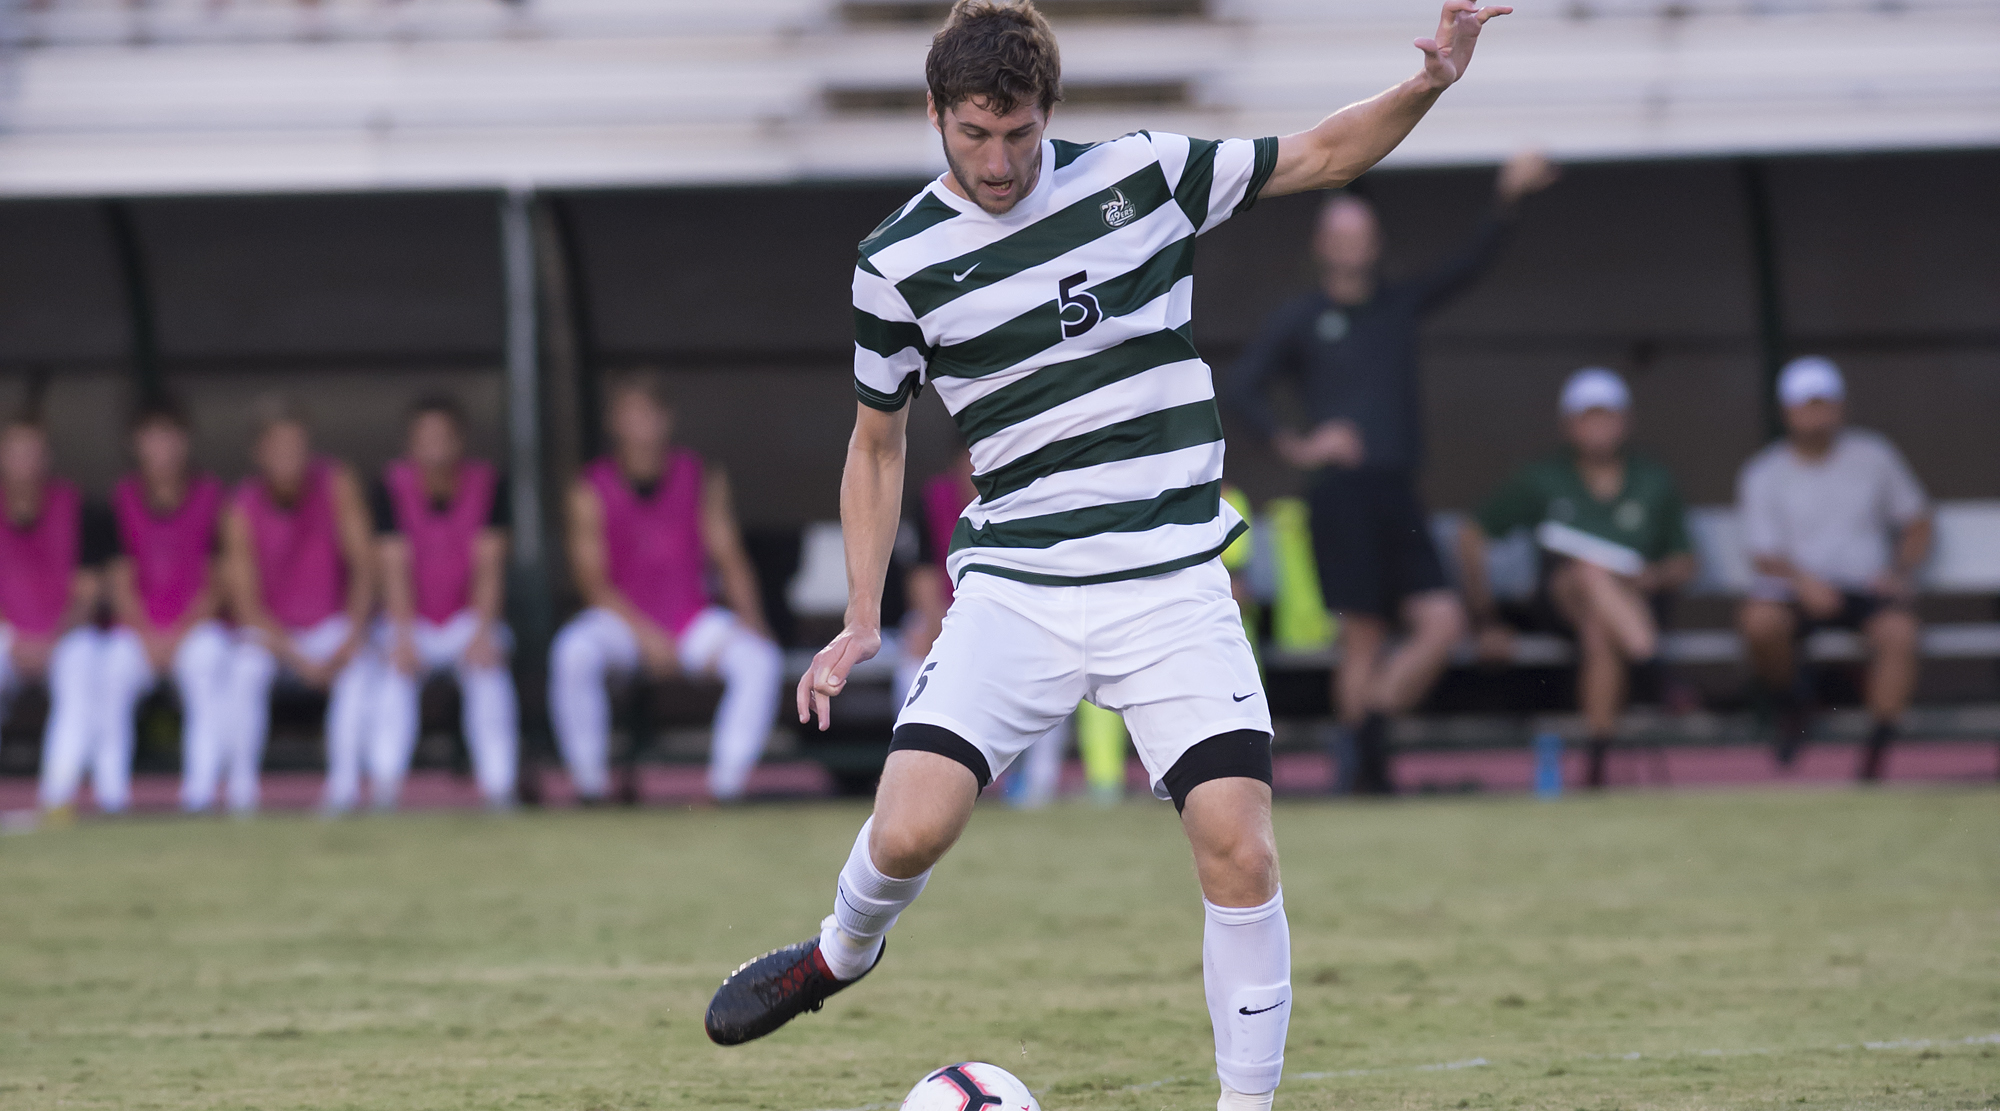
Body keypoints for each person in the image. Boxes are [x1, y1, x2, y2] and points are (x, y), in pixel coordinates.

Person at [703, 4, 1515, 1111]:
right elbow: (876, 439)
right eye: (974, 134)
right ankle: (841, 951)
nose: (997, 162)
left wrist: (1428, 84)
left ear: (1049, 116)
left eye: (1019, 135)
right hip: (1017, 587)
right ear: (933, 114)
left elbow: (1322, 154)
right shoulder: (895, 263)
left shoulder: (1143, 176)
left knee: (1237, 844)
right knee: (907, 829)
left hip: (1170, 579)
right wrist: (857, 615)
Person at [1227, 149, 1557, 795]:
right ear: (1323, 244)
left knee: (1441, 621)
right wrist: (1296, 445)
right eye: (1340, 234)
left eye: (1362, 233)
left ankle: (1365, 734)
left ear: (1375, 243)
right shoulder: (1301, 316)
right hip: (1338, 494)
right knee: (1364, 637)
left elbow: (1468, 267)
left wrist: (1506, 202)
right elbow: (1242, 386)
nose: (1352, 245)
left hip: (1396, 488)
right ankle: (1365, 772)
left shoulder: (1397, 305)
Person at [549, 374, 782, 803]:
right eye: (630, 416)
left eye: (648, 415)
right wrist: (645, 637)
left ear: (666, 420)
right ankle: (591, 788)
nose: (641, 426)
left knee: (760, 660)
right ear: (613, 423)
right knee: (572, 652)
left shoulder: (700, 475)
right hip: (622, 623)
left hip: (690, 619)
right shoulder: (589, 487)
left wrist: (753, 620)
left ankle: (725, 789)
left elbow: (728, 556)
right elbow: (591, 582)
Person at [1456, 368, 1694, 787]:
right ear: (1570, 424)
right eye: (1588, 417)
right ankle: (1654, 667)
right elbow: (1472, 535)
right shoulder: (1542, 478)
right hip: (1561, 600)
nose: (1598, 427)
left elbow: (1684, 560)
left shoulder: (1653, 479)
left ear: (1625, 421)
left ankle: (1598, 762)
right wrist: (1485, 617)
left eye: (1607, 416)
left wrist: (1652, 577)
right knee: (1587, 571)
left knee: (1599, 629)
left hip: (1634, 599)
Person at [1736, 357, 1929, 781]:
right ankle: (1792, 703)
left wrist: (1898, 572)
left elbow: (1917, 522)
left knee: (1900, 634)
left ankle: (1875, 759)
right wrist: (1805, 584)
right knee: (1759, 622)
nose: (1815, 413)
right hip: (1793, 589)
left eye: (1822, 403)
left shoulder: (1874, 456)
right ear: (1787, 411)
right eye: (1805, 405)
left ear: (1840, 406)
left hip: (1866, 587)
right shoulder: (1764, 472)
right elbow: (1763, 553)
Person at [219, 402, 382, 814]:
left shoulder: (337, 482)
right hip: (276, 636)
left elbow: (365, 568)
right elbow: (247, 606)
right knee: (243, 670)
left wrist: (351, 634)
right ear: (259, 453)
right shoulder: (240, 506)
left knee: (360, 668)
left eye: (297, 446)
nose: (289, 457)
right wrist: (299, 659)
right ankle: (241, 791)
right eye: (278, 447)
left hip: (332, 624)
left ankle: (344, 788)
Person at [370, 396, 518, 810]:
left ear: (460, 442)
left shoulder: (489, 483)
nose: (435, 447)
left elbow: (490, 562)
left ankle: (499, 787)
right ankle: (384, 787)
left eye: (444, 438)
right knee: (392, 673)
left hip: (467, 617)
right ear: (410, 444)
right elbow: (392, 564)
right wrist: (401, 635)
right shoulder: (390, 484)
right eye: (425, 439)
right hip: (411, 618)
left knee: (488, 670)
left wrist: (483, 630)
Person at [899, 446, 1065, 808]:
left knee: (1055, 660)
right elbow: (922, 569)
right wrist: (933, 623)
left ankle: (1037, 783)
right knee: (914, 658)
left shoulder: (1029, 495)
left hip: (1021, 610)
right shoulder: (933, 499)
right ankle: (924, 777)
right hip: (947, 610)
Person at [100, 399, 236, 814]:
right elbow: (119, 581)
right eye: (151, 439)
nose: (161, 450)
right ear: (135, 445)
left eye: (169, 438)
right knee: (110, 672)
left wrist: (178, 635)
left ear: (186, 443)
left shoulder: (212, 495)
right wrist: (148, 635)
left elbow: (219, 580)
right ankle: (110, 797)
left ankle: (200, 794)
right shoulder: (121, 497)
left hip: (196, 629)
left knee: (207, 665)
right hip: (139, 630)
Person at [6, 414, 112, 815]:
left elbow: (88, 591)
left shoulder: (78, 506)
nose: (24, 463)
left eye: (32, 453)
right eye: (15, 453)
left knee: (84, 659)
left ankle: (57, 798)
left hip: (63, 635)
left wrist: (51, 640)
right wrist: (13, 637)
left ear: (47, 458)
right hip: (7, 637)